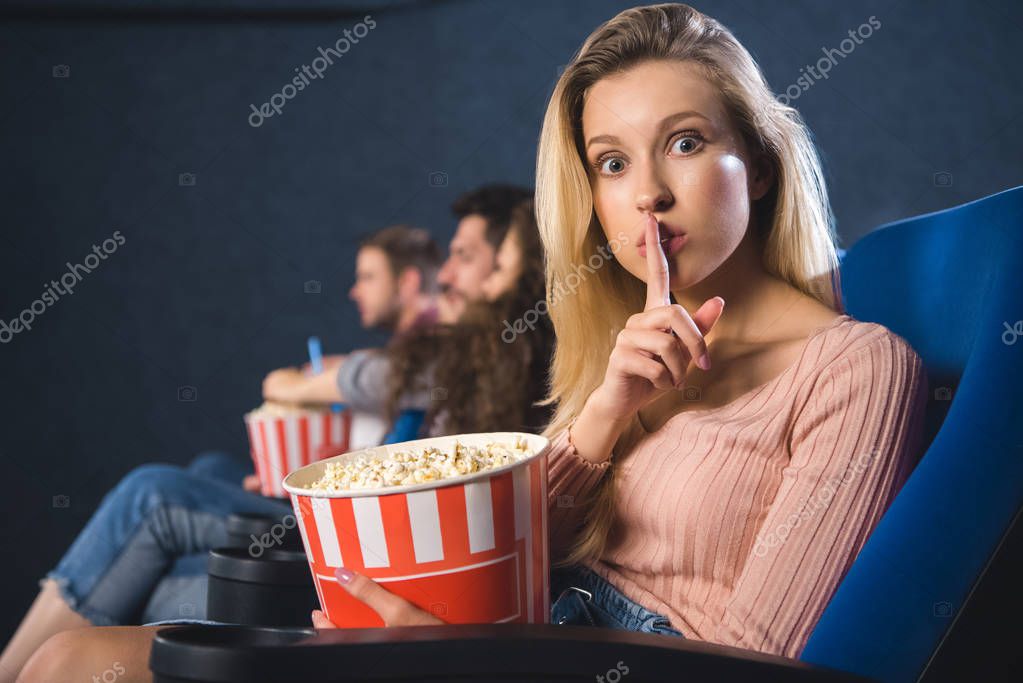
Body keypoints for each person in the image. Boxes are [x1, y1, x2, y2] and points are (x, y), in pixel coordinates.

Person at [316, 1, 927, 659]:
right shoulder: (620, 348)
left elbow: (753, 666)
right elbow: (512, 554)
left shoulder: (856, 369)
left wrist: (467, 662)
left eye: (685, 142)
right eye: (612, 163)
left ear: (757, 165)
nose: (647, 194)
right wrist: (605, 412)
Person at [3, 187, 533, 682]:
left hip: (372, 551)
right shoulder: (450, 357)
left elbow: (347, 384)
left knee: (152, 493)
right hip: (365, 533)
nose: (447, 273)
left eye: (471, 258)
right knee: (206, 475)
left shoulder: (470, 356)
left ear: (516, 276)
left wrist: (305, 393)